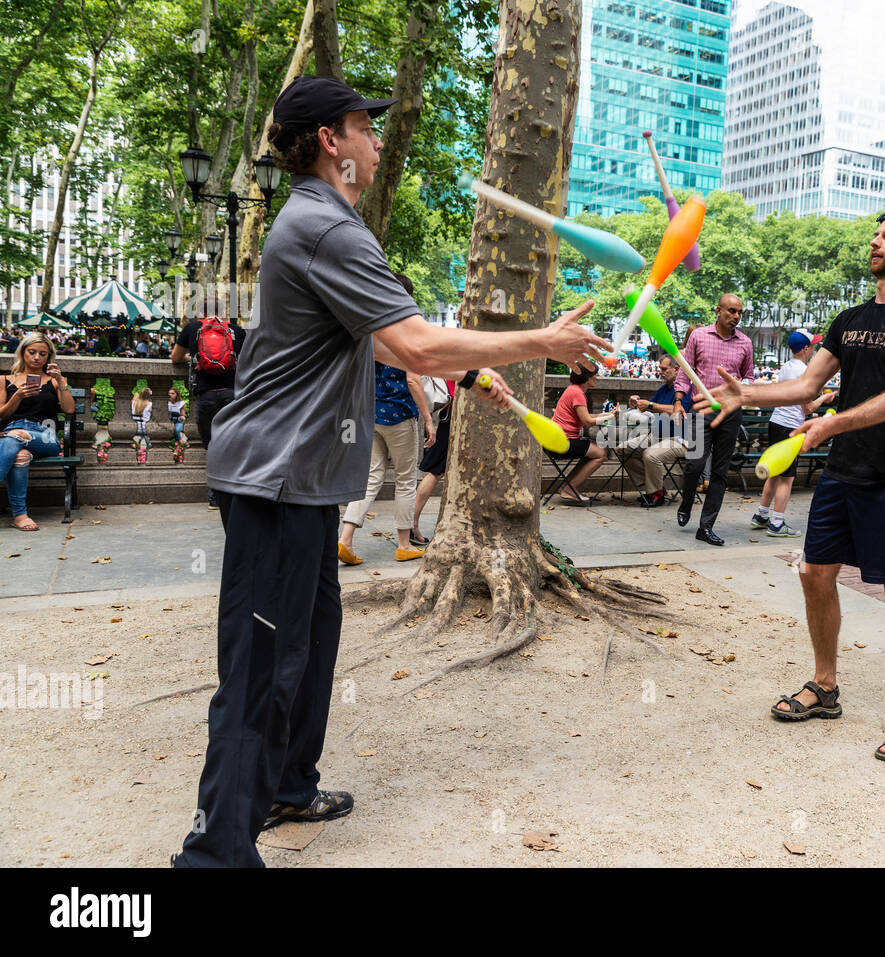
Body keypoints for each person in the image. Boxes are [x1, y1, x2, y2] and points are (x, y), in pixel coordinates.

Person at [171, 74, 610, 868]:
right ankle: (215, 854)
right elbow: (413, 344)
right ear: (330, 142)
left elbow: (367, 334)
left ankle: (288, 783)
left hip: (303, 479)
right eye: (363, 126)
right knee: (262, 661)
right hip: (274, 477)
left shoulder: (319, 222)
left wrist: (472, 376)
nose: (376, 139)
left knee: (311, 639)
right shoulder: (325, 225)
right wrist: (539, 340)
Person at [708, 200, 885, 763]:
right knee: (815, 574)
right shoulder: (850, 319)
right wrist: (748, 394)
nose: (875, 242)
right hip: (845, 470)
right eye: (875, 235)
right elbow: (805, 385)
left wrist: (830, 424)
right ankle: (825, 685)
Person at [673, 293, 754, 546]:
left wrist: (741, 387)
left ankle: (706, 527)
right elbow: (685, 372)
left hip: (730, 414)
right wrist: (677, 400)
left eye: (740, 312)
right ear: (718, 310)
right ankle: (686, 502)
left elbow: (749, 376)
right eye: (731, 311)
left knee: (719, 472)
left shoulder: (745, 343)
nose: (736, 317)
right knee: (695, 465)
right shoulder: (698, 336)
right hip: (701, 410)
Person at [336, 357, 432, 565]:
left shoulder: (374, 339)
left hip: (371, 414)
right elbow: (413, 380)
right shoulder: (402, 342)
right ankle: (404, 545)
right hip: (400, 414)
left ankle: (345, 539)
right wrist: (428, 418)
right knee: (406, 481)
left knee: (371, 478)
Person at [751, 329, 832, 536]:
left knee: (774, 471)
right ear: (806, 348)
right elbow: (807, 408)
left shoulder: (787, 367)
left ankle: (761, 515)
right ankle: (777, 523)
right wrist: (824, 399)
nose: (814, 349)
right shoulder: (804, 372)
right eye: (813, 345)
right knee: (787, 478)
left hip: (776, 422)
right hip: (791, 427)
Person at [0, 332, 74, 531]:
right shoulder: (4, 379)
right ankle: (20, 515)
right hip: (12, 433)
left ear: (48, 357)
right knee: (20, 455)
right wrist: (17, 396)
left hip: (46, 435)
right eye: (32, 352)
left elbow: (69, 409)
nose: (36, 357)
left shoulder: (55, 381)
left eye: (42, 354)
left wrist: (61, 380)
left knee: (15, 436)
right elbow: (2, 414)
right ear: (22, 352)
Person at [172, 313, 247, 508]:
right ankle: (235, 493)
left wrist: (193, 356)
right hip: (232, 394)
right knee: (232, 443)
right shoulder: (236, 330)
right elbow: (249, 360)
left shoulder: (192, 328)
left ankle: (215, 497)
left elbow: (176, 358)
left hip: (205, 394)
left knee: (212, 445)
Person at [624, 354, 691, 507]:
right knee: (623, 449)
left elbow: (679, 410)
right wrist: (637, 404)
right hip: (658, 436)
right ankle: (652, 488)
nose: (660, 371)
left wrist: (650, 405)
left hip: (681, 440)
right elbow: (650, 407)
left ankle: (656, 494)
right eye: (659, 368)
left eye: (663, 369)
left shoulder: (687, 388)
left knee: (650, 455)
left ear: (676, 369)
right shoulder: (663, 389)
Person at [551, 367, 618, 505]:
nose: (596, 378)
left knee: (593, 451)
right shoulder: (578, 393)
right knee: (601, 453)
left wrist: (607, 415)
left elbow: (586, 417)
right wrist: (608, 417)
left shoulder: (573, 389)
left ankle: (568, 486)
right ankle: (569, 488)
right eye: (594, 375)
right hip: (563, 443)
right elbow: (587, 422)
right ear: (587, 377)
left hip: (557, 440)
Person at [410, 376, 454, 545]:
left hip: (452, 412)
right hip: (455, 414)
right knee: (436, 470)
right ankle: (411, 524)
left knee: (436, 470)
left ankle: (411, 524)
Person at [130, 387, 152, 464]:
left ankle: (138, 444)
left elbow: (135, 395)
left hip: (134, 427)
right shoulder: (150, 404)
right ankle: (149, 448)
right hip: (144, 428)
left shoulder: (133, 403)